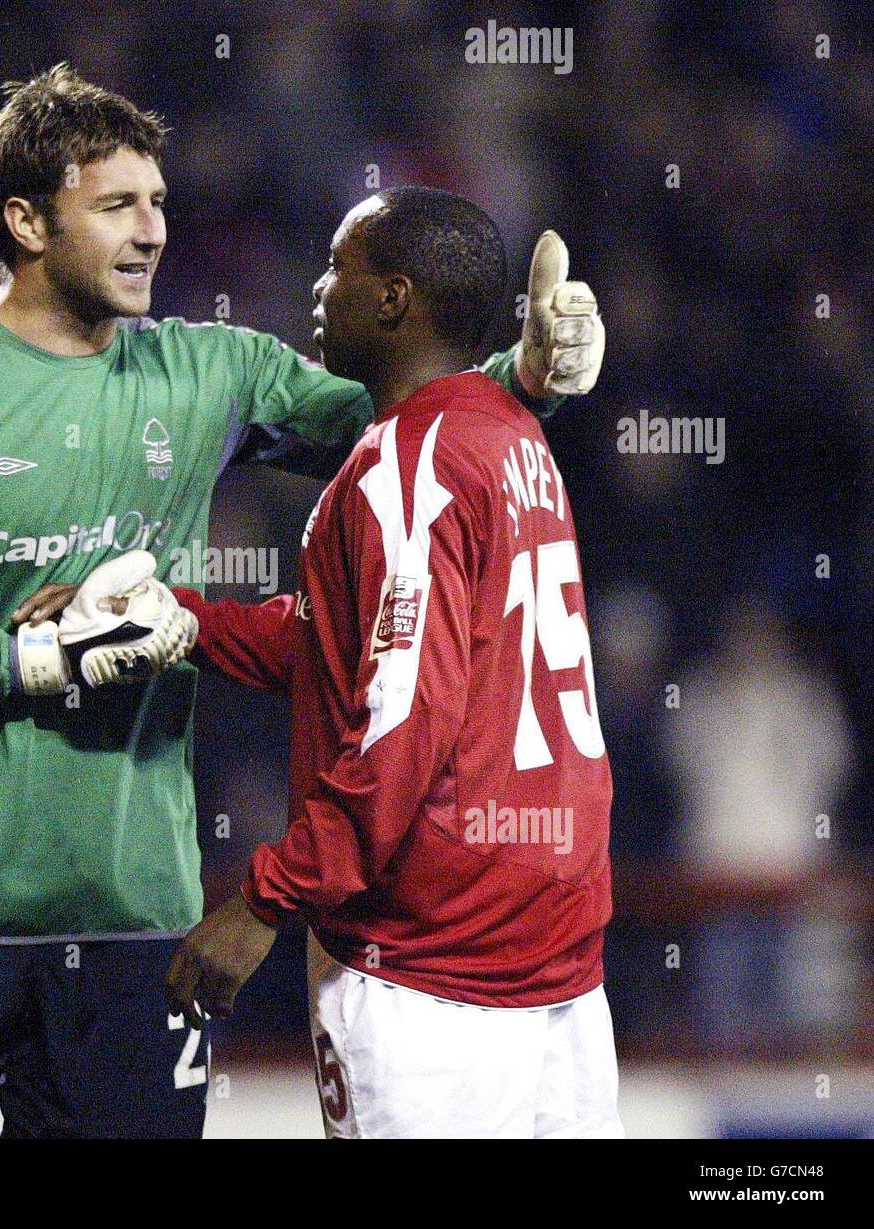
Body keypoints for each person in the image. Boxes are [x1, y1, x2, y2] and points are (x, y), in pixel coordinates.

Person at [0, 62, 594, 1139]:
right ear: (25, 220)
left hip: (134, 920)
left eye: (160, 201)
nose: (153, 229)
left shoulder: (212, 372)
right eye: (117, 203)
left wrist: (528, 370)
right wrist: (31, 663)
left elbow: (410, 412)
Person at [164, 189, 621, 1138]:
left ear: (393, 299)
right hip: (559, 961)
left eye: (341, 266)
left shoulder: (403, 466)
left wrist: (262, 897)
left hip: (429, 973)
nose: (320, 286)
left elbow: (400, 718)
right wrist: (183, 624)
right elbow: (359, 649)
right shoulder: (511, 435)